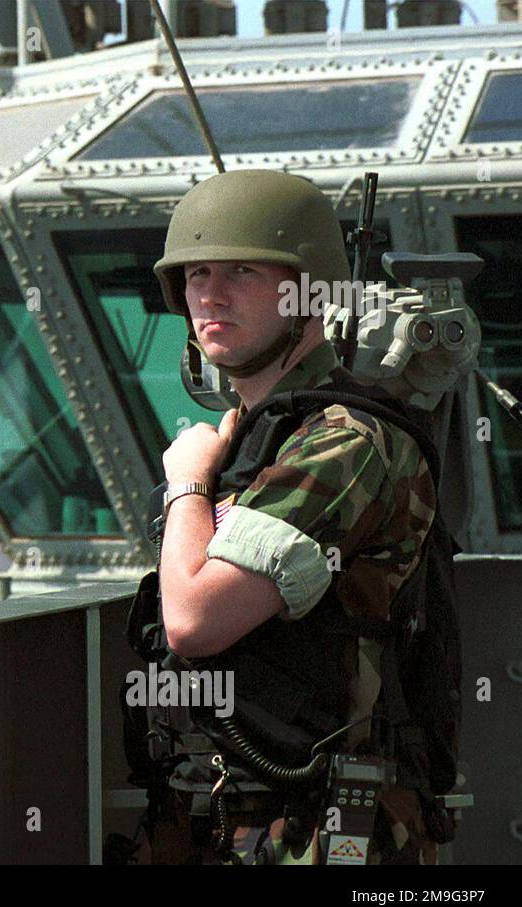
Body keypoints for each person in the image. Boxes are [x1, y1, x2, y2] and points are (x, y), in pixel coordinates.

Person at [126, 170, 441, 865]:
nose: (210, 292)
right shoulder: (254, 442)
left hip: (313, 829)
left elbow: (196, 621)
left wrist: (187, 487)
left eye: (243, 270)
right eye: (197, 272)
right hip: (222, 809)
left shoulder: (343, 442)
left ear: (311, 293)